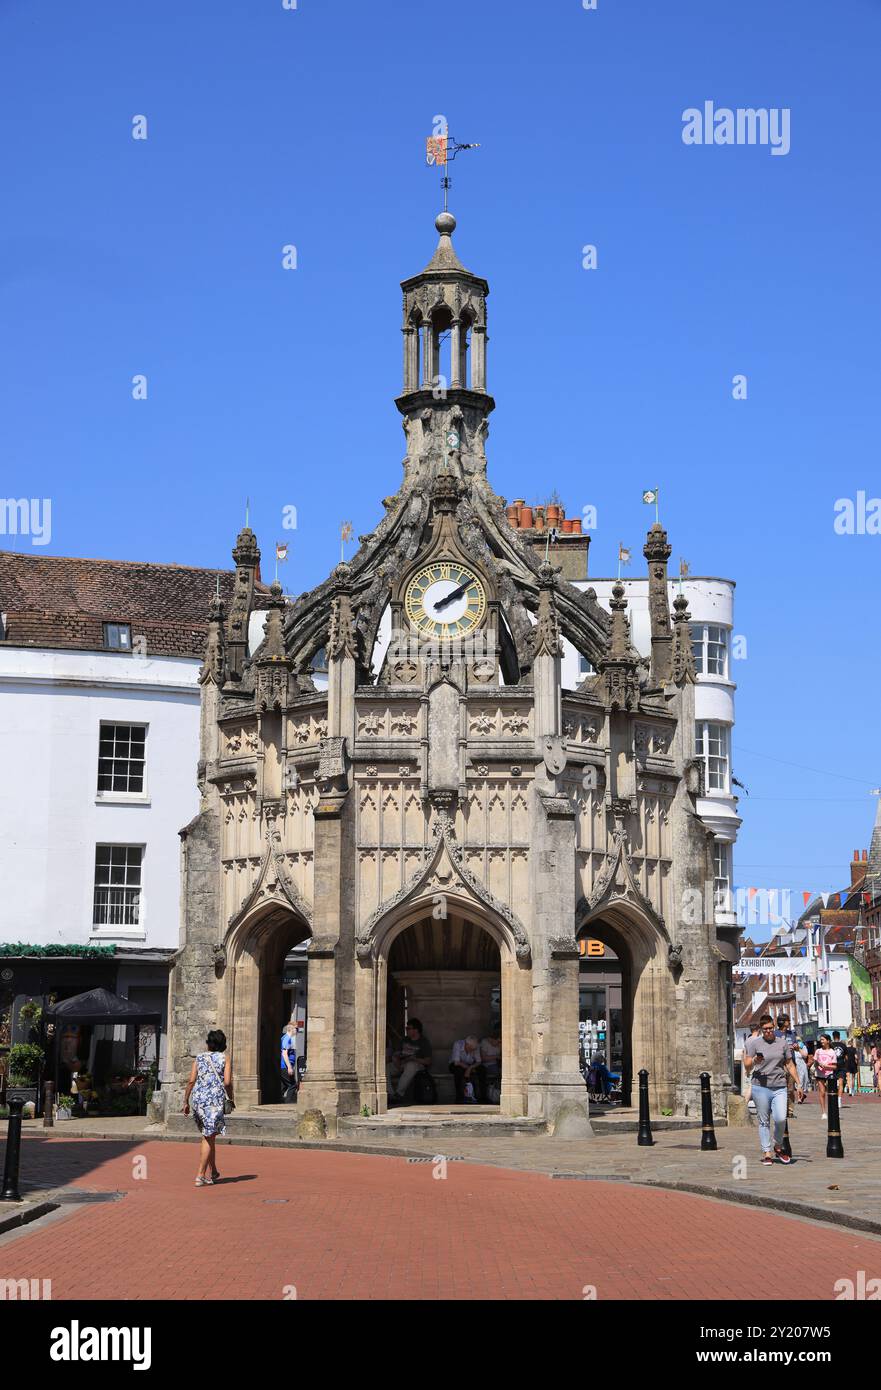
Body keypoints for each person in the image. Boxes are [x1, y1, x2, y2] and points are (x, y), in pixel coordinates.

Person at [743, 1015, 803, 1165]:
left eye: (770, 1028)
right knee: (763, 1121)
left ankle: (777, 1145)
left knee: (781, 1118)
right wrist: (754, 1061)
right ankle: (767, 1152)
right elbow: (747, 1064)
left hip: (779, 1086)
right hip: (760, 1086)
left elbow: (789, 1064)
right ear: (761, 1030)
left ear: (774, 1027)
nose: (768, 1031)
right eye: (765, 1029)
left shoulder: (782, 1043)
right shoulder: (754, 1043)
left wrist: (799, 1083)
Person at [183, 1029, 233, 1186]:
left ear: (209, 1043)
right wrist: (231, 1098)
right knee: (208, 1137)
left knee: (208, 1136)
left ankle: (214, 1171)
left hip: (198, 1100)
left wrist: (185, 1101)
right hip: (213, 1102)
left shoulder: (199, 1057)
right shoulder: (225, 1057)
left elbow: (191, 1080)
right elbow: (227, 1082)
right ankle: (200, 1175)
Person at [387, 1018, 432, 1105]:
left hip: (416, 1065)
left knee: (411, 1065)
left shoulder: (424, 1042)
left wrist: (413, 1058)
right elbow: (397, 1052)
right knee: (386, 1068)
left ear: (416, 1030)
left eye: (408, 1028)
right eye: (406, 1028)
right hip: (402, 1063)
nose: (406, 1030)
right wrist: (396, 1058)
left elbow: (428, 1061)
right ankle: (390, 1094)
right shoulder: (405, 1040)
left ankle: (399, 1094)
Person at [449, 1035, 486, 1103]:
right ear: (466, 1044)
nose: (472, 1050)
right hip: (457, 1064)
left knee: (482, 1070)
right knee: (458, 1071)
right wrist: (468, 1068)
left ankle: (483, 1097)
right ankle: (459, 1097)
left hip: (470, 1065)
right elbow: (456, 1062)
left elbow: (478, 1061)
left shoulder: (476, 1046)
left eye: (474, 1049)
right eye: (471, 1049)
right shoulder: (458, 1044)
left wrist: (470, 1068)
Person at [812, 1033, 838, 1117]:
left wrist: (826, 1066)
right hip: (820, 1074)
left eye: (823, 1039)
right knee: (822, 1093)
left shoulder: (832, 1052)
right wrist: (817, 1064)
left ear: (828, 1041)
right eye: (821, 1039)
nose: (821, 1041)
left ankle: (832, 1111)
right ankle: (823, 1112)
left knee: (831, 1094)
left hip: (830, 1075)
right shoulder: (818, 1051)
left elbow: (834, 1066)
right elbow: (815, 1063)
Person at [479, 1026, 502, 1103]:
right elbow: (483, 1058)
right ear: (492, 1039)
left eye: (500, 1042)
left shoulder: (500, 1044)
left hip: (496, 1064)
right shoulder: (484, 1043)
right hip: (487, 1065)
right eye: (498, 1042)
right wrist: (496, 1057)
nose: (499, 1043)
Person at [280, 1021, 298, 1102]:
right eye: (296, 1028)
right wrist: (289, 1067)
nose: (297, 1030)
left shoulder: (285, 1038)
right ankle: (288, 1102)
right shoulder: (287, 1039)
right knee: (293, 1085)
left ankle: (280, 1101)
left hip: (284, 1066)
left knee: (284, 1086)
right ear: (291, 1028)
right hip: (285, 1066)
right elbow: (284, 1054)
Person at [831, 1031, 848, 1101]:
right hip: (841, 1066)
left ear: (833, 1036)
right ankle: (839, 1100)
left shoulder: (831, 1045)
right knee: (841, 1083)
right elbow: (846, 1058)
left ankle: (834, 1098)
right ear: (839, 1036)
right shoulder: (843, 1045)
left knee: (833, 1083)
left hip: (832, 1066)